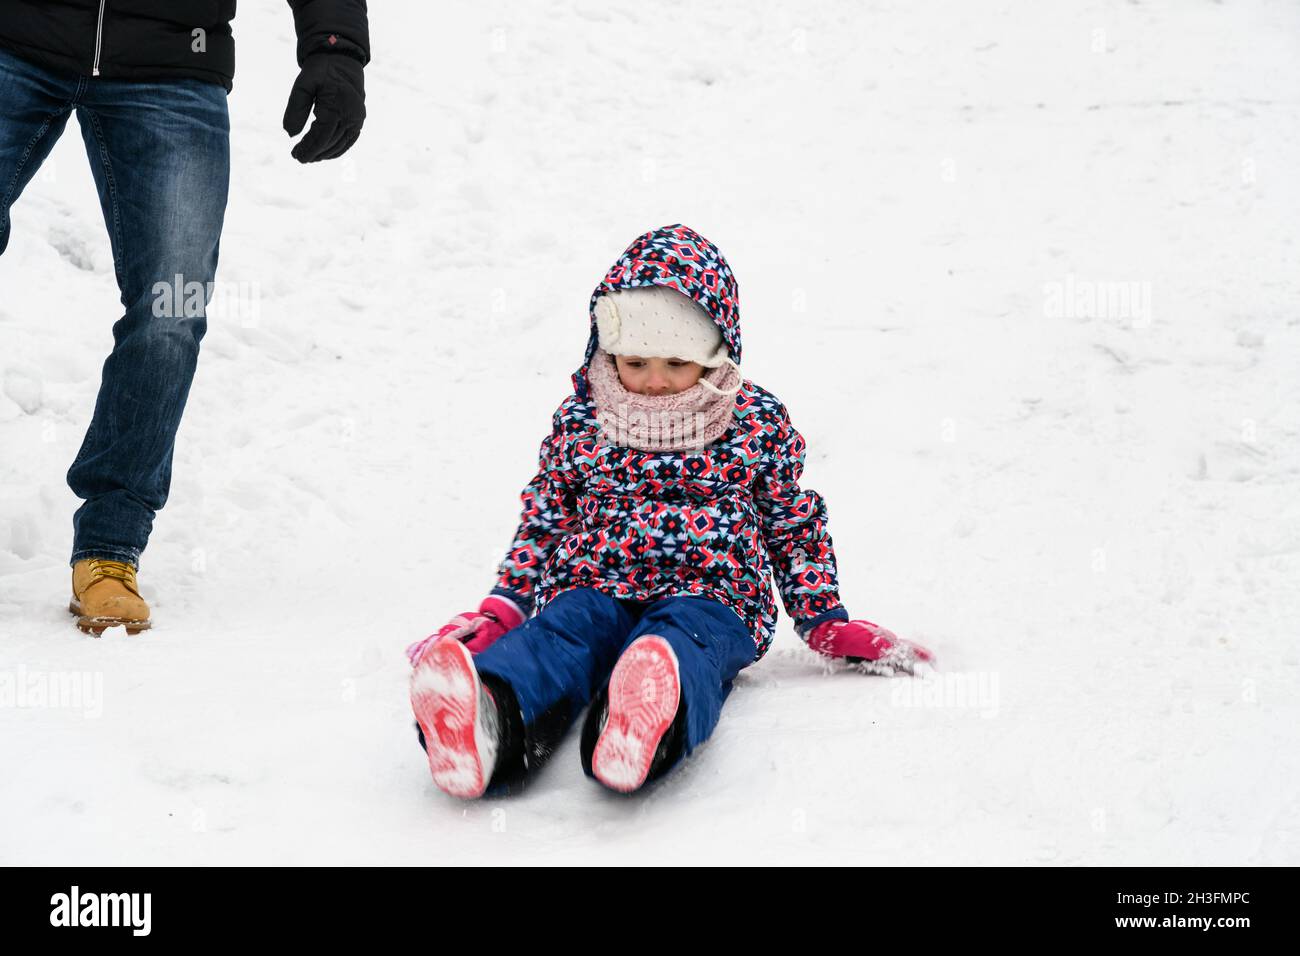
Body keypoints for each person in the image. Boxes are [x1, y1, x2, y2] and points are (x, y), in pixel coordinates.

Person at [407, 224, 935, 799]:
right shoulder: (584, 417)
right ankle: (489, 717)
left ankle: (646, 721)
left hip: (716, 594)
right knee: (559, 634)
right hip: (597, 582)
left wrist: (823, 617)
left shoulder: (751, 421)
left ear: (715, 355)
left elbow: (790, 521)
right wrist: (506, 603)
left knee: (685, 643)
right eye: (635, 361)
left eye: (676, 362)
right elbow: (548, 512)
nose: (654, 382)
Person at [0, 1, 371, 633]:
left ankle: (109, 548)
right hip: (17, 34)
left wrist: (334, 48)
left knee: (172, 306)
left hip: (171, 58)